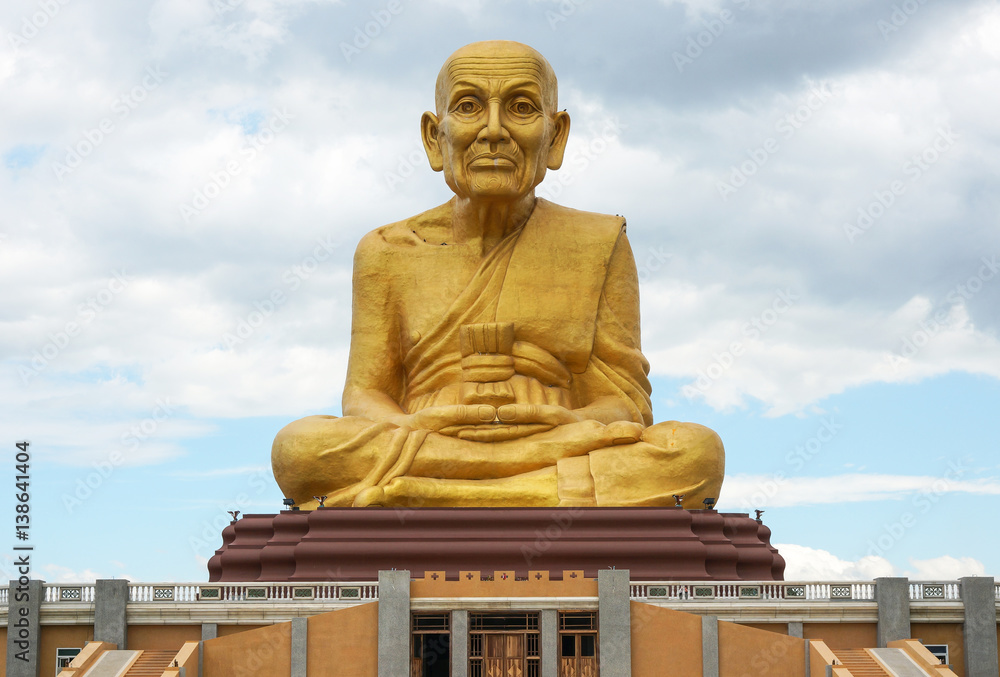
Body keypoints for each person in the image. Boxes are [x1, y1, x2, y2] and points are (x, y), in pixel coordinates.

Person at [271, 40, 724, 508]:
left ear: (556, 135)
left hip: (548, 439)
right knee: (300, 448)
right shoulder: (386, 250)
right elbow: (365, 396)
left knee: (694, 451)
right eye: (468, 107)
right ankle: (528, 495)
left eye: (522, 108)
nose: (493, 130)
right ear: (434, 136)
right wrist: (419, 424)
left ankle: (430, 495)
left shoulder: (597, 241)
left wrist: (557, 424)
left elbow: (626, 403)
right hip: (434, 439)